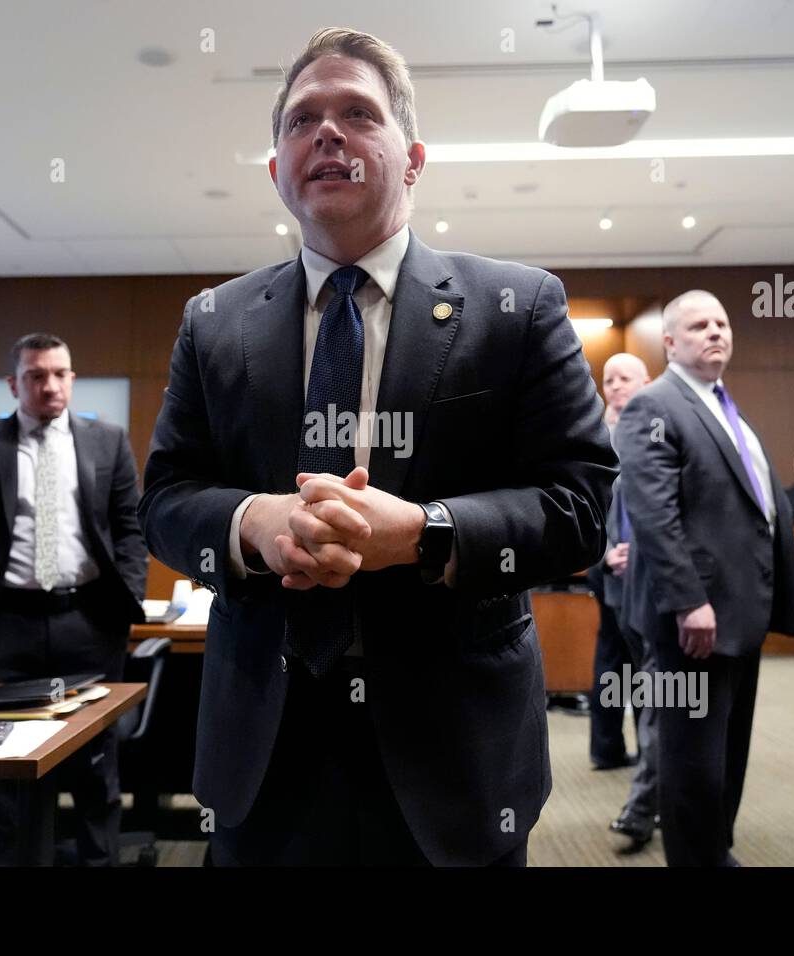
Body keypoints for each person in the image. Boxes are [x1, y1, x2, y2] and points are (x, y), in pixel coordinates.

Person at [140, 28, 616, 866]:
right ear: (277, 171)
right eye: (301, 120)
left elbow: (579, 508)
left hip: (456, 752)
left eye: (357, 113)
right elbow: (166, 501)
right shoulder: (212, 322)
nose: (326, 133)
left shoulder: (519, 305)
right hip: (263, 747)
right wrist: (255, 523)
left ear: (413, 158)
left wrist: (427, 534)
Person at [0, 333, 149, 865]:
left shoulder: (107, 441)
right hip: (3, 626)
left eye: (60, 373)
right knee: (7, 765)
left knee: (97, 767)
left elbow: (130, 529)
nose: (50, 385)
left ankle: (100, 862)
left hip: (88, 623)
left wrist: (127, 600)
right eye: (36, 375)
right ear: (14, 384)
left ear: (72, 377)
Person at [616, 290, 794, 866]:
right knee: (694, 760)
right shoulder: (655, 406)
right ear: (669, 341)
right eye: (699, 325)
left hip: (741, 611)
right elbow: (654, 515)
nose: (716, 332)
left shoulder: (722, 404)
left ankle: (715, 850)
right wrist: (689, 601)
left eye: (722, 323)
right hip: (694, 619)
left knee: (728, 750)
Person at [591, 353, 661, 850]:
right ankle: (611, 752)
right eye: (608, 379)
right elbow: (587, 503)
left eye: (624, 378)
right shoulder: (594, 434)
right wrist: (602, 554)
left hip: (656, 576)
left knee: (653, 679)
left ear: (647, 382)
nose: (615, 387)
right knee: (616, 665)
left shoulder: (660, 429)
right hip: (610, 576)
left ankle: (648, 771)